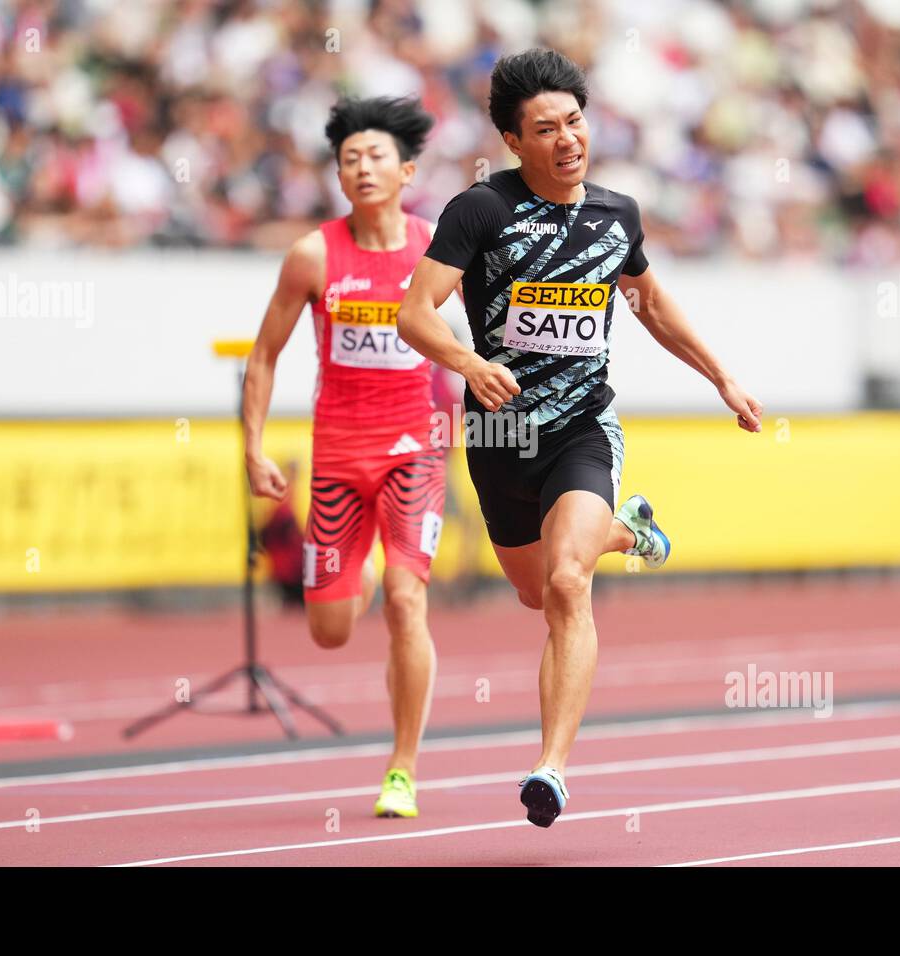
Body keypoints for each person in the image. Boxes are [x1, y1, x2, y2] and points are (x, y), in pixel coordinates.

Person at [397, 49, 764, 827]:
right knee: (533, 590)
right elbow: (414, 313)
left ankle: (551, 768)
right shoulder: (480, 211)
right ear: (512, 140)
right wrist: (469, 361)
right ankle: (630, 531)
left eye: (575, 122)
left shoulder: (616, 214)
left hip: (581, 428)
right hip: (500, 437)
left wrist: (721, 378)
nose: (568, 140)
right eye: (546, 129)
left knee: (567, 582)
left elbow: (651, 303)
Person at [242, 95, 445, 819]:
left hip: (415, 449)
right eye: (349, 159)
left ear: (407, 170)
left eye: (375, 157)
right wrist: (254, 445)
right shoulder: (314, 255)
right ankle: (354, 564)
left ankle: (402, 770)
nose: (361, 168)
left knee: (405, 598)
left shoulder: (439, 248)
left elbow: (489, 329)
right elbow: (265, 356)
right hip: (337, 457)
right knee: (329, 630)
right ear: (338, 175)